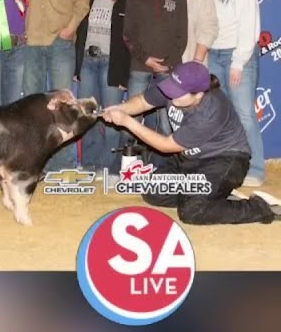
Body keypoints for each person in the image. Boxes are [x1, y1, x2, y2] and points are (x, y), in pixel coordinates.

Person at [101, 61, 280, 225]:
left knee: (192, 212)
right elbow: (142, 101)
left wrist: (127, 121)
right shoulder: (174, 87)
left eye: (178, 93)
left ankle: (260, 208)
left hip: (226, 160)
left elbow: (166, 145)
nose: (171, 94)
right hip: (190, 158)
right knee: (152, 191)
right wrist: (120, 108)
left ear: (199, 94)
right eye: (172, 87)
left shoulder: (210, 111)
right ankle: (212, 195)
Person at [17, 0, 90, 171]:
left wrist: (71, 27)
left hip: (61, 41)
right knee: (34, 108)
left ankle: (64, 164)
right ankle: (36, 163)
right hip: (30, 42)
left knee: (64, 107)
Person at [199, 0, 266, 185]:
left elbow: (249, 27)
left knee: (245, 113)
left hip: (238, 55)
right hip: (213, 55)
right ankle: (229, 165)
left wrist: (238, 62)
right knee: (223, 113)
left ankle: (256, 168)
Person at [122, 0, 187, 144]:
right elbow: (127, 34)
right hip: (140, 66)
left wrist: (170, 62)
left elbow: (182, 33)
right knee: (132, 114)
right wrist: (145, 58)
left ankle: (171, 165)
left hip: (169, 67)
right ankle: (128, 163)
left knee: (170, 118)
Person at [73, 0, 132, 173]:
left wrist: (124, 74)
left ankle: (111, 166)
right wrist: (77, 67)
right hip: (88, 62)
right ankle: (90, 163)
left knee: (112, 116)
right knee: (88, 114)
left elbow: (131, 39)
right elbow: (80, 33)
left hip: (112, 64)